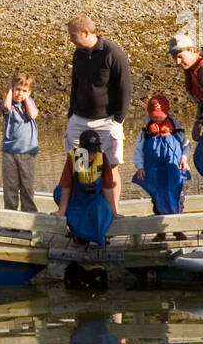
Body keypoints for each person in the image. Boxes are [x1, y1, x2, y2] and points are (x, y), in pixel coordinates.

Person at [65, 15, 131, 217]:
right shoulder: (79, 54)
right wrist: (71, 114)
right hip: (80, 118)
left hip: (107, 119)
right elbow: (75, 85)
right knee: (80, 165)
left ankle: (113, 212)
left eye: (73, 35)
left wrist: (118, 119)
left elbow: (125, 88)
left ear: (86, 33)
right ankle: (83, 209)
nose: (70, 39)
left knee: (110, 166)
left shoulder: (113, 53)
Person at [131, 93, 190, 239]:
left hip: (173, 171)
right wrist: (140, 167)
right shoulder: (145, 132)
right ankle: (160, 232)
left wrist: (184, 159)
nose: (157, 118)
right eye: (154, 116)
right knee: (157, 200)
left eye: (160, 115)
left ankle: (177, 229)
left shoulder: (176, 129)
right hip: (155, 172)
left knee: (177, 198)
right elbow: (138, 150)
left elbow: (186, 146)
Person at [53, 129, 116, 245]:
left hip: (95, 199)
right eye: (88, 152)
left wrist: (114, 212)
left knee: (102, 211)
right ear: (81, 147)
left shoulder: (103, 159)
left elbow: (108, 187)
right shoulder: (73, 158)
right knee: (59, 193)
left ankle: (100, 236)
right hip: (78, 198)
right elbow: (66, 186)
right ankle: (79, 235)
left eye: (93, 152)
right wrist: (61, 211)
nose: (91, 155)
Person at [169, 33, 203, 179]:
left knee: (201, 160)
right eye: (174, 58)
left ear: (192, 51)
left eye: (180, 56)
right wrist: (198, 123)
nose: (177, 62)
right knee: (201, 161)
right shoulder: (190, 71)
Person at [0, 71, 39, 212]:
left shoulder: (30, 103)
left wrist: (26, 98)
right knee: (10, 186)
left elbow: (33, 115)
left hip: (28, 151)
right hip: (9, 152)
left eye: (24, 91)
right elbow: (5, 107)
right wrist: (10, 91)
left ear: (29, 92)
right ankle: (11, 216)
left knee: (27, 186)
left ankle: (29, 215)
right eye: (18, 90)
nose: (20, 94)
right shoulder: (8, 104)